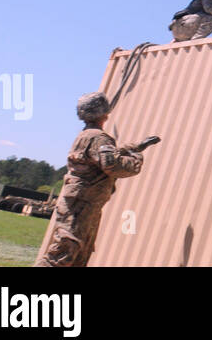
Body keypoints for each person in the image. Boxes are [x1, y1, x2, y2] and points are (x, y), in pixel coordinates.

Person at [36, 93, 146, 268]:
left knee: (78, 256)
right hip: (82, 205)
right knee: (62, 255)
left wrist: (134, 147)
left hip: (83, 204)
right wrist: (137, 159)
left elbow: (105, 155)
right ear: (104, 113)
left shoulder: (88, 135)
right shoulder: (98, 138)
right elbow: (112, 165)